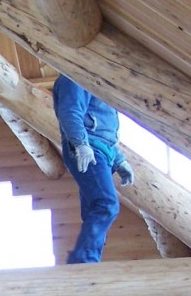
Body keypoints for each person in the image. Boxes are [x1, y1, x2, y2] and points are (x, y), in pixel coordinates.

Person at [53, 74, 135, 264]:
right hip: (89, 149)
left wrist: (119, 161)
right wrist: (81, 144)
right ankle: (84, 260)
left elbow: (106, 135)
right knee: (106, 204)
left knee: (94, 208)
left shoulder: (100, 85)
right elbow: (70, 112)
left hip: (102, 152)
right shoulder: (74, 78)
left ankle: (90, 260)